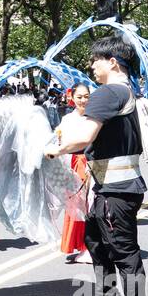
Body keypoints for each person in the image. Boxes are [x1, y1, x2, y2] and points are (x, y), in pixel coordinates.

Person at [44, 36, 148, 296]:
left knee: (125, 254)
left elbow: (83, 136)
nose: (91, 65)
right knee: (96, 242)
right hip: (113, 187)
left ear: (112, 62)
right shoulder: (126, 91)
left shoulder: (108, 92)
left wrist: (52, 149)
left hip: (116, 190)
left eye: (96, 59)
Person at [57, 84, 93, 265]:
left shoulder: (95, 118)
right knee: (75, 206)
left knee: (89, 205)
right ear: (72, 97)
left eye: (86, 96)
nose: (83, 100)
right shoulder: (66, 119)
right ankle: (80, 245)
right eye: (80, 97)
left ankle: (89, 247)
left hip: (90, 162)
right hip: (72, 163)